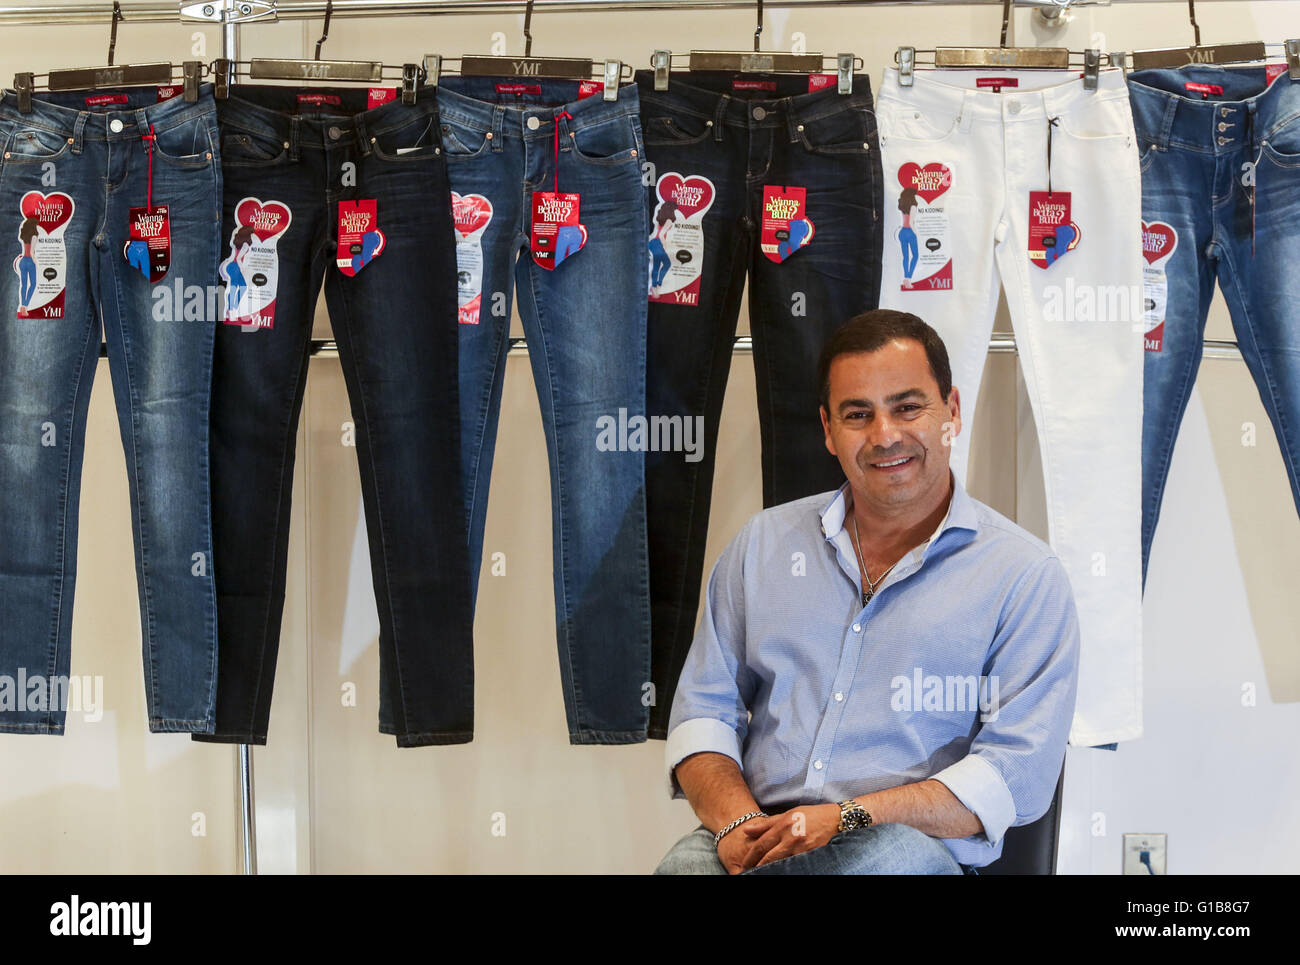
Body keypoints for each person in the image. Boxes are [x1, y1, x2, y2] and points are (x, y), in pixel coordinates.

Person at [654, 309, 1080, 875]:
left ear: (951, 412)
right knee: (685, 869)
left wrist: (848, 817)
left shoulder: (1025, 577)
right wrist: (736, 826)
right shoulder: (762, 545)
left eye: (908, 407)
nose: (885, 436)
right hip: (761, 833)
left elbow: (1015, 776)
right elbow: (703, 713)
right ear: (829, 431)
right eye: (859, 415)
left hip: (904, 848)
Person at [648, 200, 678, 297]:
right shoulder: (669, 220)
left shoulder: (660, 218)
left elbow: (656, 233)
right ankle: (657, 286)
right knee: (667, 264)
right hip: (658, 243)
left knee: (656, 265)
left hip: (653, 243)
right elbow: (661, 235)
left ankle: (654, 288)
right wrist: (664, 246)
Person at [15, 216, 39, 317]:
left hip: (22, 261)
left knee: (24, 284)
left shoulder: (24, 235)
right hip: (30, 261)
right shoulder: (34, 236)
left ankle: (22, 306)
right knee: (33, 284)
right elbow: (32, 253)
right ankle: (25, 306)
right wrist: (37, 264)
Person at [898, 188, 919, 288]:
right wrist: (916, 233)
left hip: (902, 232)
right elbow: (911, 223)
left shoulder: (903, 206)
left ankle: (906, 278)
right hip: (910, 232)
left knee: (906, 257)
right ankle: (908, 279)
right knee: (915, 256)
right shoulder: (913, 206)